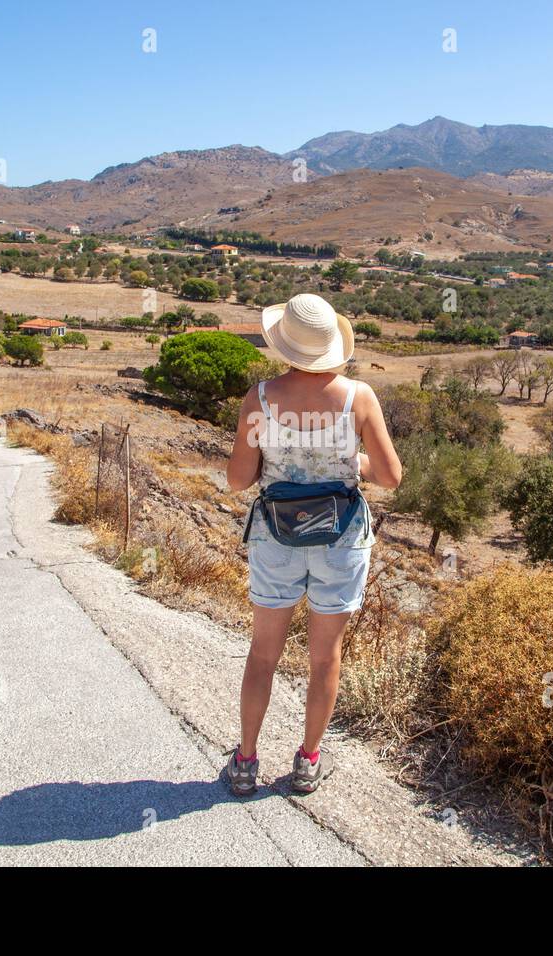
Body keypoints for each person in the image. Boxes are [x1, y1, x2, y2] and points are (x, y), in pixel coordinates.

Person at [224, 293, 402, 795]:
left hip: (275, 538)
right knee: (325, 657)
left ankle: (245, 762)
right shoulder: (358, 397)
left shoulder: (258, 399)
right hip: (341, 537)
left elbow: (239, 480)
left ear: (283, 345)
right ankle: (307, 761)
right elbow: (390, 475)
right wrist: (351, 465)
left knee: (263, 655)